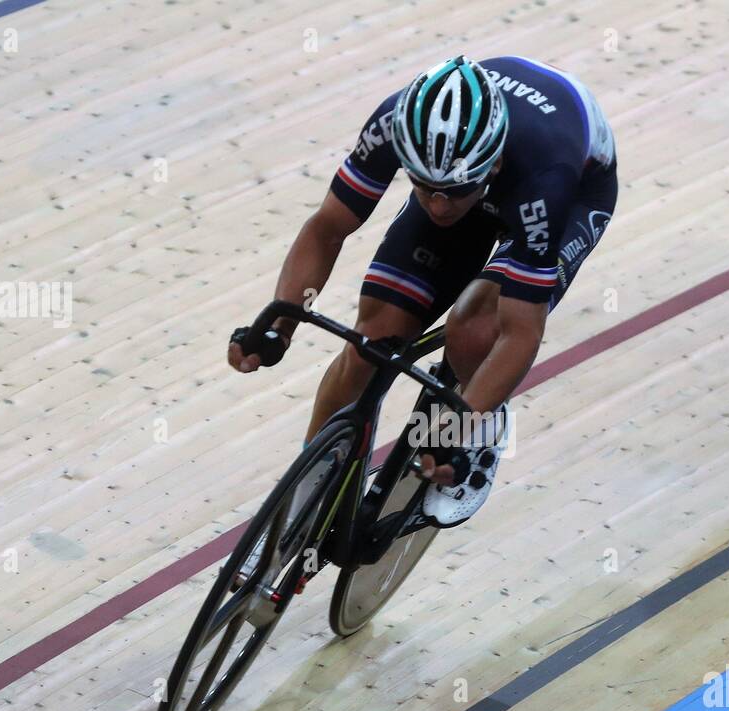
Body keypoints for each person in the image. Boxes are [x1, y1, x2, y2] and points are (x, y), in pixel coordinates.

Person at [229, 54, 618, 527]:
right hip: (485, 172)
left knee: (475, 328)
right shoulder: (397, 123)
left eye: (450, 191)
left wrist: (462, 424)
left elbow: (521, 332)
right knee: (372, 340)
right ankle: (303, 492)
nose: (437, 205)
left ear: (491, 165)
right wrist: (280, 324)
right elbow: (327, 228)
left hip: (571, 192)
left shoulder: (547, 176)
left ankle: (485, 435)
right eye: (422, 184)